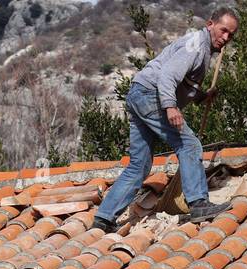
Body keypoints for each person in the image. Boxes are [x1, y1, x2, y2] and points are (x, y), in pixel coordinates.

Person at [91, 8, 239, 233]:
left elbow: (185, 84)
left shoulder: (203, 49)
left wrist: (202, 96)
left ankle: (103, 218)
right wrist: (170, 107)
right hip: (151, 95)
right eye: (223, 30)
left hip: (139, 94)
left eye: (231, 35)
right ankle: (199, 203)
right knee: (189, 144)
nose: (226, 37)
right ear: (210, 24)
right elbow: (167, 76)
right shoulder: (195, 46)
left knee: (139, 165)